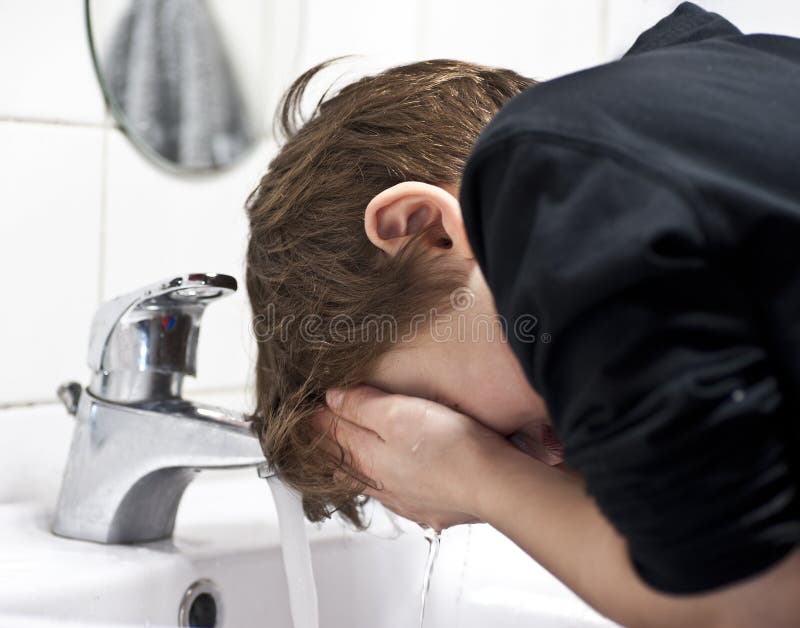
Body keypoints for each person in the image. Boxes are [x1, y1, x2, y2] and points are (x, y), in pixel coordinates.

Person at [245, 3, 800, 625]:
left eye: (449, 416)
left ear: (427, 232)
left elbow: (757, 605)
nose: (543, 459)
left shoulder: (548, 185)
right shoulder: (698, 117)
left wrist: (476, 474)